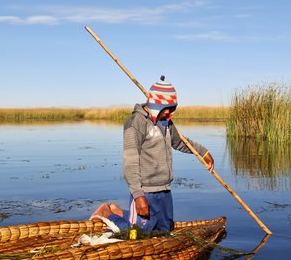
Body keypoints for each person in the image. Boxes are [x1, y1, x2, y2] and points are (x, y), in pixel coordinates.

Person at [91, 76, 214, 233]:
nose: (169, 112)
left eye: (172, 107)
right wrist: (138, 195)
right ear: (156, 105)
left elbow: (180, 142)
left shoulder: (166, 122)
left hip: (164, 189)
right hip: (145, 190)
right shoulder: (136, 122)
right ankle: (108, 214)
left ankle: (118, 211)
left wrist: (203, 153)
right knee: (137, 233)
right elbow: (130, 160)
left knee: (164, 230)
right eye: (166, 107)